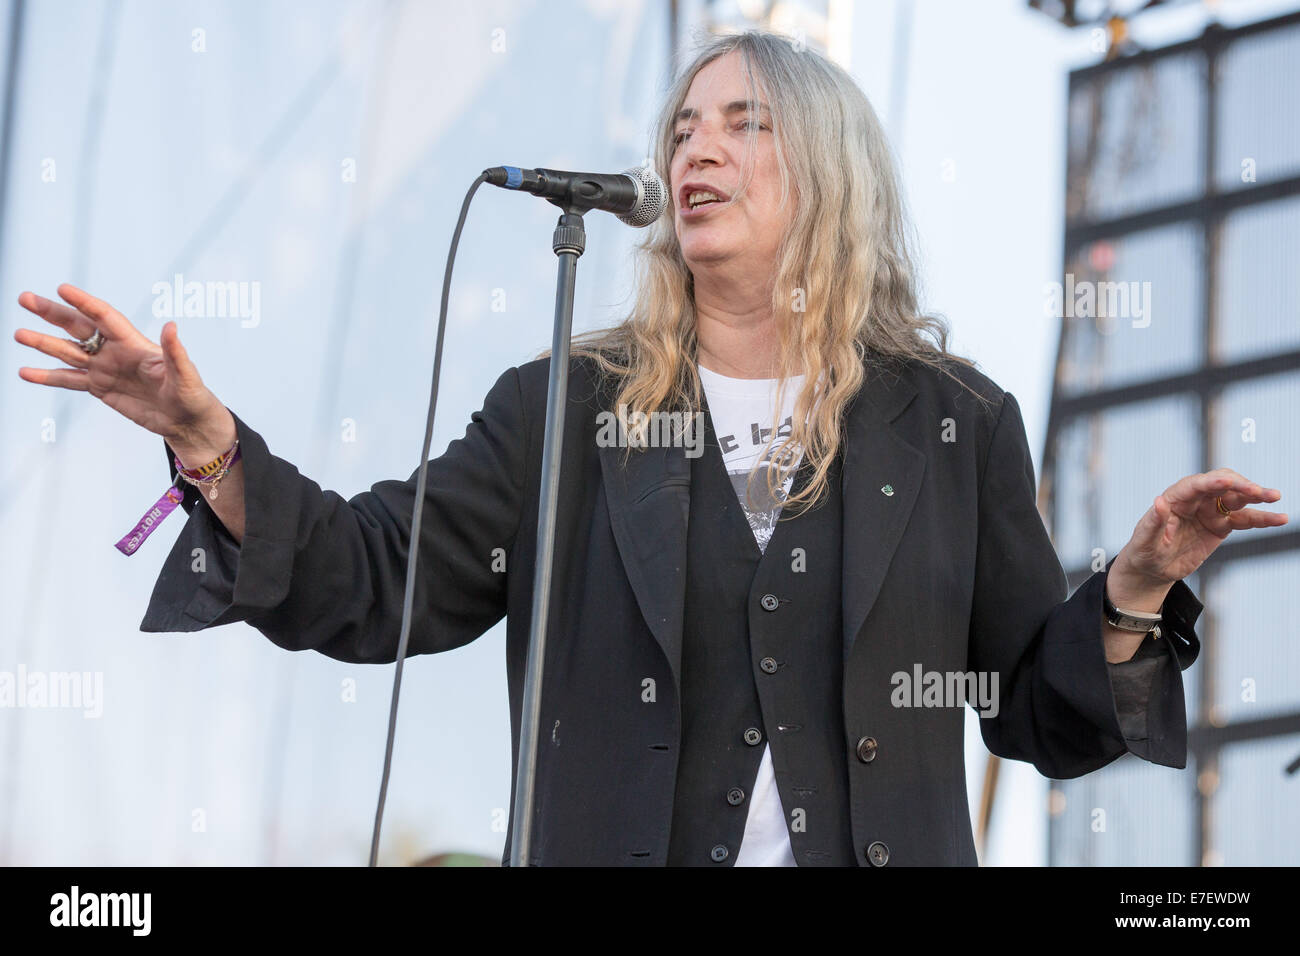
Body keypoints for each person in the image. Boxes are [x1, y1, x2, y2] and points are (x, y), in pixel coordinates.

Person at [14, 30, 1286, 866]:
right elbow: (372, 573)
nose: (696, 148)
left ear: (828, 168)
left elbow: (1030, 705)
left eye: (742, 122)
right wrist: (212, 444)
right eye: (681, 129)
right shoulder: (565, 409)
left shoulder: (951, 421)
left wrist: (1130, 589)